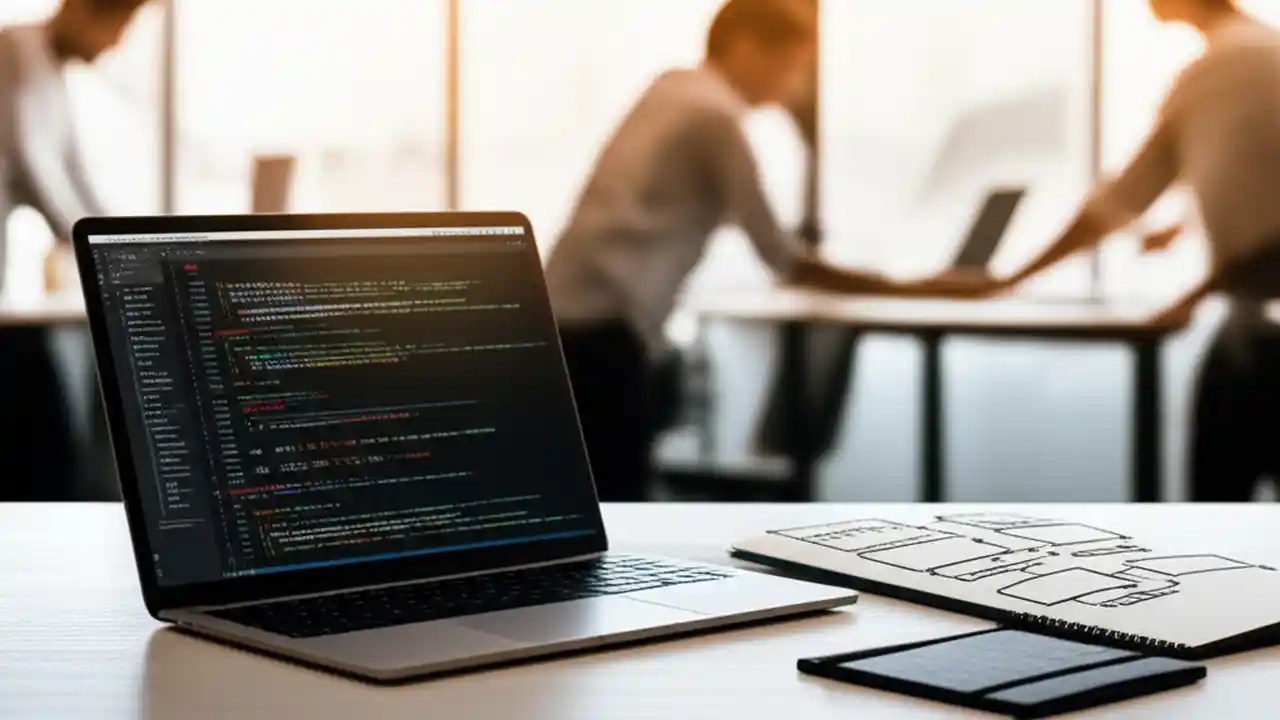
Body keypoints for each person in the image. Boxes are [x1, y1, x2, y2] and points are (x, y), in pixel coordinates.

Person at [546, 0, 915, 501]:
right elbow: (779, 256)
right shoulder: (714, 117)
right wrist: (906, 287)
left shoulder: (671, 90)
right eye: (789, 65)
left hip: (565, 319)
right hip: (603, 336)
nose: (791, 85)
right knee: (616, 498)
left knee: (589, 492)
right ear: (744, 46)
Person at [954, 0, 1280, 501]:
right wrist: (1185, 225)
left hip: (1262, 327)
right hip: (1252, 314)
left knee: (1216, 507)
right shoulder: (1260, 53)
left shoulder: (1217, 70)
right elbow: (1256, 178)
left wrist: (1010, 280)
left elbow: (1118, 204)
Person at [0, 0, 145, 498]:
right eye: (117, 26)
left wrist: (126, 241)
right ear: (83, 10)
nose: (115, 43)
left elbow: (72, 164)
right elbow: (31, 161)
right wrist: (97, 251)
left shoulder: (50, 69)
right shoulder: (15, 51)